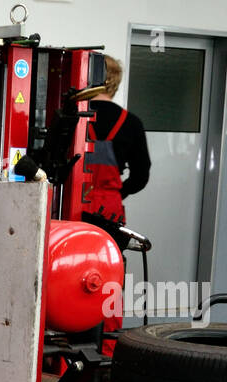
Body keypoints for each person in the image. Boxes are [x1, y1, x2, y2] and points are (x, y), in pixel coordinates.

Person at [81, 54, 151, 251]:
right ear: (115, 82)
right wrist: (117, 193)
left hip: (73, 204)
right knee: (107, 263)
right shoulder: (132, 123)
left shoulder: (73, 115)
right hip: (109, 211)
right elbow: (141, 176)